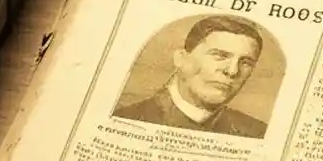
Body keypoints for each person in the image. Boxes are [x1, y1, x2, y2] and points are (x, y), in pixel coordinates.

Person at [113, 15, 270, 138]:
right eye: (220, 56)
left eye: (246, 62)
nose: (232, 71)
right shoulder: (125, 120)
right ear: (181, 58)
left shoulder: (258, 132)